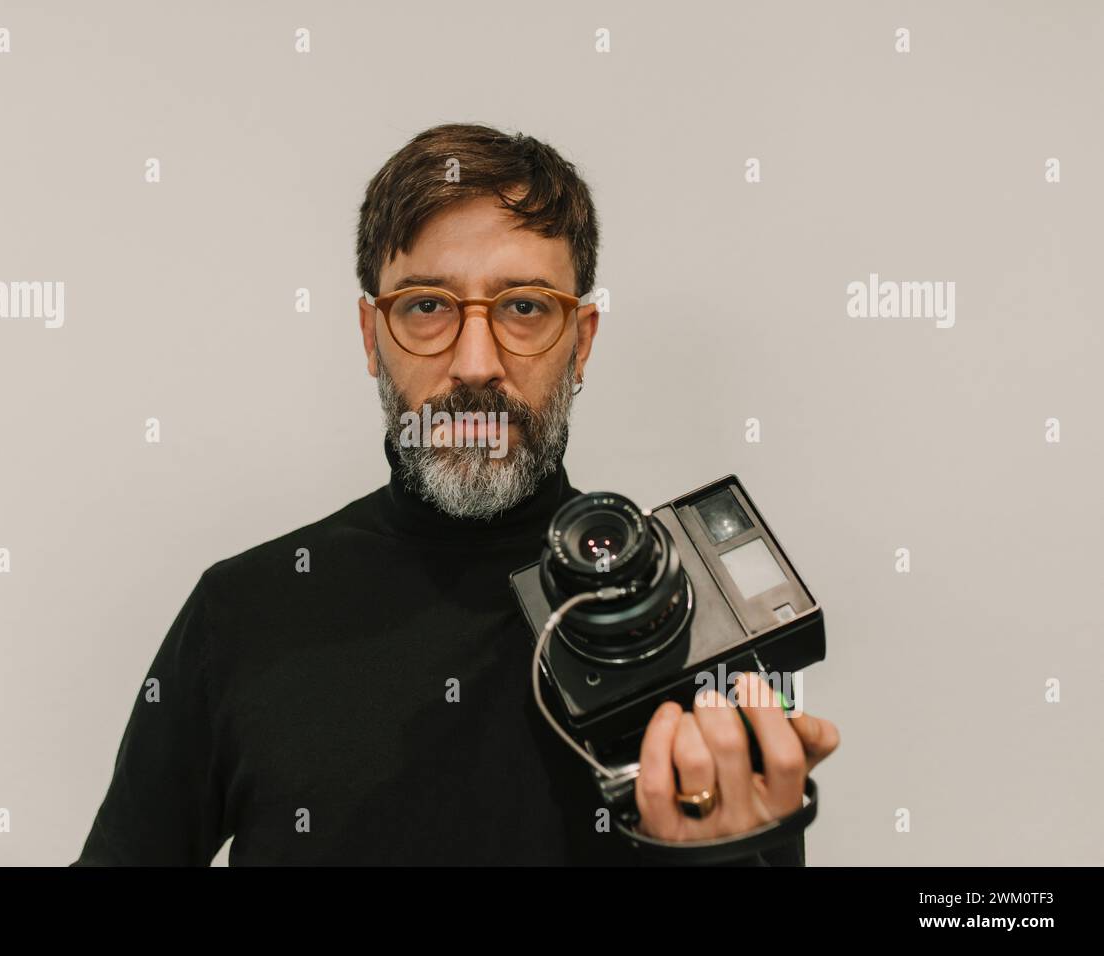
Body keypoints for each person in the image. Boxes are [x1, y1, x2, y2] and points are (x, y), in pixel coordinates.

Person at [73, 123, 839, 866]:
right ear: (372, 337)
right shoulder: (240, 611)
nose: (476, 364)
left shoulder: (685, 623)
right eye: (429, 306)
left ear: (584, 341)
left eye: (525, 306)